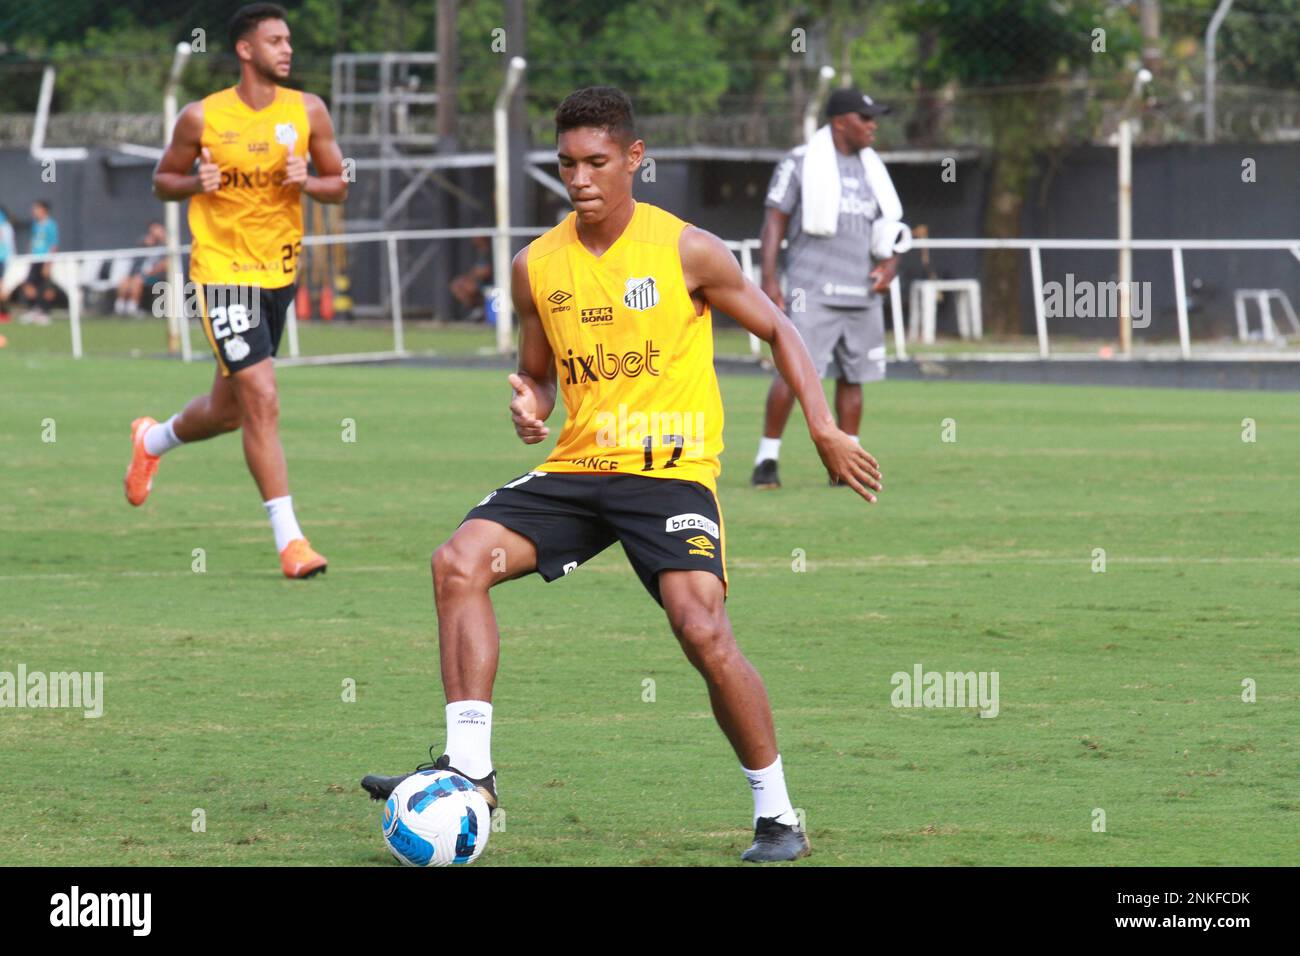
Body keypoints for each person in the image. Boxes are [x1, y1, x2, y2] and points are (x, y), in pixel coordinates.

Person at [359, 87, 884, 862]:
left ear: (635, 158)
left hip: (669, 474)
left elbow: (779, 327)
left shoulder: (687, 250)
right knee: (457, 563)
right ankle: (469, 768)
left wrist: (824, 426)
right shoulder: (535, 266)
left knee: (701, 628)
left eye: (596, 162)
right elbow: (538, 376)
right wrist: (529, 403)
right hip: (577, 469)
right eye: (567, 163)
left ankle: (778, 818)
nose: (580, 179)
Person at [126, 2, 347, 578]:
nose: (287, 49)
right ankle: (291, 541)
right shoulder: (202, 117)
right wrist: (192, 181)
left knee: (228, 413)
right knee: (263, 398)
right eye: (275, 40)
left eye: (289, 40)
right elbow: (162, 181)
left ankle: (153, 440)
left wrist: (310, 181)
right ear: (245, 50)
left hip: (279, 274)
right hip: (223, 275)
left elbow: (339, 184)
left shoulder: (309, 110)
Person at [751, 88, 906, 490]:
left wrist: (890, 265)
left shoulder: (874, 169)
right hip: (812, 291)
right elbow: (774, 221)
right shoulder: (800, 161)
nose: (873, 125)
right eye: (865, 118)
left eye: (874, 118)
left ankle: (846, 463)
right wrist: (769, 279)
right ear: (839, 122)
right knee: (794, 374)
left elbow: (891, 230)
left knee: (854, 377)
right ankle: (767, 458)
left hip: (862, 291)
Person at [11, 199, 61, 325]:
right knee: (29, 285)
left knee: (46, 288)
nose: (34, 211)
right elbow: (33, 241)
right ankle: (35, 310)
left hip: (45, 260)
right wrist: (30, 255)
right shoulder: (36, 224)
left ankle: (45, 313)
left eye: (37, 209)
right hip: (35, 259)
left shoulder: (51, 225)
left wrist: (48, 263)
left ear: (44, 210)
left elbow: (53, 245)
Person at [115, 221, 168, 315]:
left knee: (137, 281)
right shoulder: (145, 243)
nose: (155, 233)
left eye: (157, 230)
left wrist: (149, 272)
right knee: (125, 281)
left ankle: (132, 309)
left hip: (156, 276)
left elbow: (165, 264)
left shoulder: (166, 245)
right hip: (140, 274)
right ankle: (120, 308)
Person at [0, 206, 13, 323]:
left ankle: (4, 313)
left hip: (2, 259)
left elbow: (8, 244)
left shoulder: (5, 226)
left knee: (2, 288)